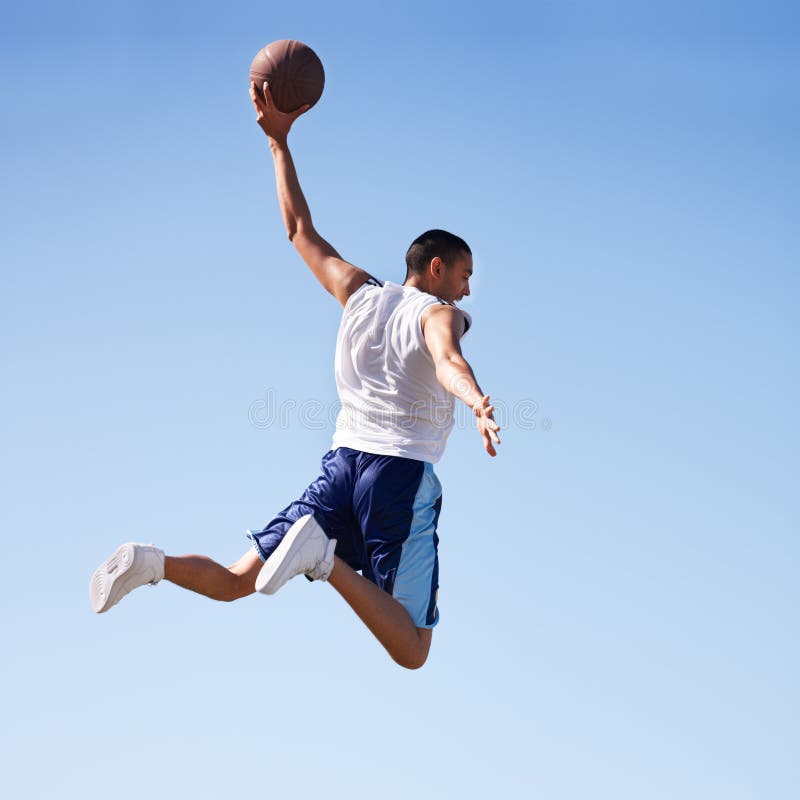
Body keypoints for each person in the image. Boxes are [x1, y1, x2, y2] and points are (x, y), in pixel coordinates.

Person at [88, 81, 501, 670]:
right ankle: (323, 560)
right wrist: (476, 399)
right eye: (464, 274)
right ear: (436, 268)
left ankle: (150, 563)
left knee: (238, 581)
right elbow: (447, 359)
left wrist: (278, 143)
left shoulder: (359, 292)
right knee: (413, 647)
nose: (467, 288)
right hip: (398, 477)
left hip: (341, 466)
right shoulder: (439, 312)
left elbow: (299, 231)